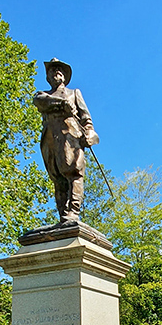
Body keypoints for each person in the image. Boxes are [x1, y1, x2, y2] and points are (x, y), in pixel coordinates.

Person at [33, 59, 99, 224]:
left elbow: (87, 119)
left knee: (73, 172)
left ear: (65, 76)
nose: (56, 72)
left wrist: (90, 134)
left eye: (59, 70)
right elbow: (40, 102)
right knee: (56, 177)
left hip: (70, 137)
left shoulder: (74, 93)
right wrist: (63, 104)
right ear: (47, 77)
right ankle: (63, 214)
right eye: (52, 70)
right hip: (49, 139)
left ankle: (73, 212)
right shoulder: (43, 95)